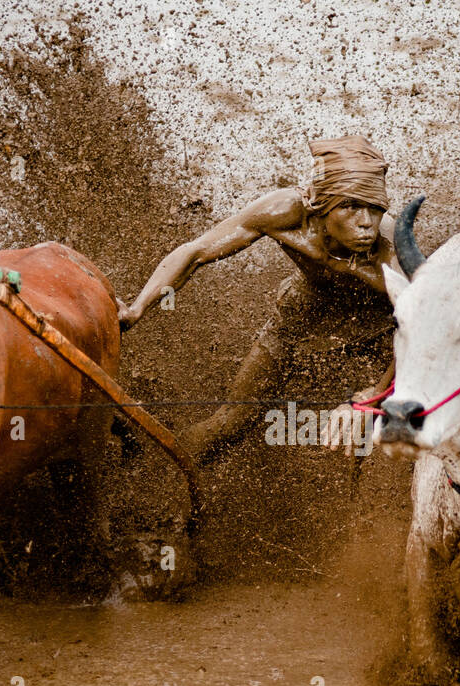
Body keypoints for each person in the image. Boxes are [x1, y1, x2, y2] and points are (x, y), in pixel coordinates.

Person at [119, 134, 400, 462]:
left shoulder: (389, 254)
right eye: (351, 206)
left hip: (377, 335)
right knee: (230, 422)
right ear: (320, 204)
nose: (366, 222)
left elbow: (425, 330)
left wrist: (372, 396)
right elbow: (195, 253)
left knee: (372, 442)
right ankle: (152, 477)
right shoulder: (286, 212)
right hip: (300, 318)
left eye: (375, 208)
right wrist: (138, 308)